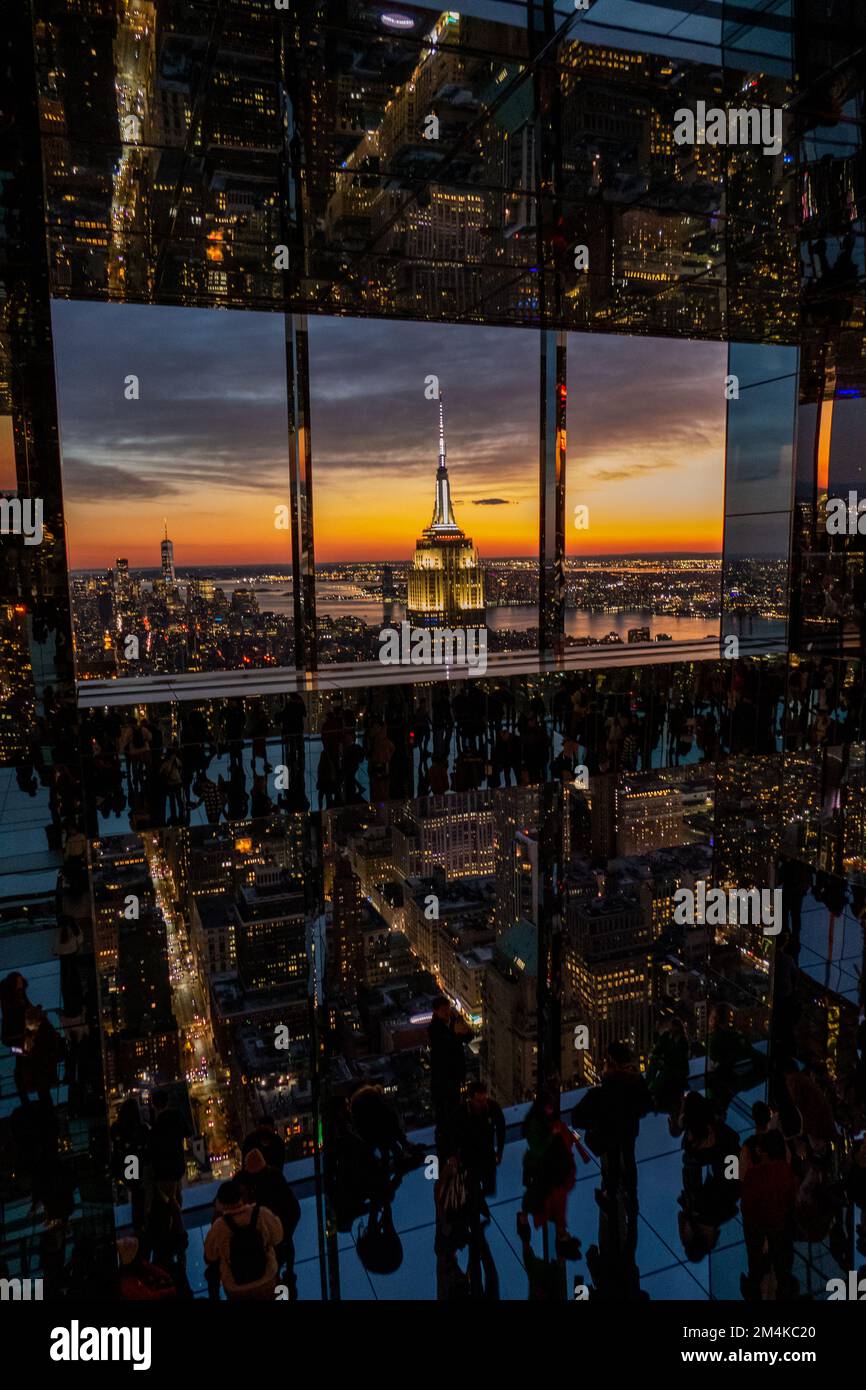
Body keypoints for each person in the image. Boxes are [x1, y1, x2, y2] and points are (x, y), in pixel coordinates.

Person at [572, 1041, 650, 1215]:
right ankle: (631, 1194)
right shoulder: (636, 1079)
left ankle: (611, 1194)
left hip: (612, 1131)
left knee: (613, 1162)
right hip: (630, 1129)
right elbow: (645, 1104)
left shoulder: (609, 1085)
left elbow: (587, 1113)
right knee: (629, 1159)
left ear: (613, 1062)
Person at [740, 1130, 801, 1300]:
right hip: (778, 1229)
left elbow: (746, 1207)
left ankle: (760, 1282)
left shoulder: (754, 1174)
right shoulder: (786, 1172)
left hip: (761, 1230)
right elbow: (792, 1202)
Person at [203, 1178, 284, 1301]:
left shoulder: (219, 1226)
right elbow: (278, 1237)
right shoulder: (261, 1214)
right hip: (267, 1279)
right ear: (241, 1196)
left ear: (220, 1203)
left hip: (235, 1287)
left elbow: (210, 1256)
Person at [237, 1148, 301, 1299]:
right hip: (283, 1219)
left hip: (279, 1221)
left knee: (281, 1249)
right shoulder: (274, 1176)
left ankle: (283, 1278)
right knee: (284, 1246)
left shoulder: (248, 1180)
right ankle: (285, 1277)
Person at [428, 996, 472, 1153]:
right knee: (443, 1107)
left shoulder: (453, 1020)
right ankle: (443, 1138)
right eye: (443, 1010)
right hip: (443, 1076)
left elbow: (468, 1037)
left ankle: (455, 1133)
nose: (447, 1012)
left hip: (456, 1073)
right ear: (436, 1011)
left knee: (455, 1103)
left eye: (448, 1009)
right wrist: (455, 1033)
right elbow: (444, 1048)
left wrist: (464, 1029)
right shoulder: (434, 1028)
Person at [455, 1082, 506, 1215]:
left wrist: (500, 1151)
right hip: (469, 1157)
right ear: (470, 1099)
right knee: (472, 1187)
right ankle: (474, 1208)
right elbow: (453, 1135)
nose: (482, 1103)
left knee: (489, 1188)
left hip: (487, 1153)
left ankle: (478, 1201)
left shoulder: (492, 1107)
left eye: (484, 1099)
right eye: (478, 1100)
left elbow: (501, 1128)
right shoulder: (462, 1112)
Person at [15, 1006, 64, 1108]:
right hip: (41, 1070)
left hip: (41, 1070)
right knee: (43, 1092)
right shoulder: (43, 1031)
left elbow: (37, 1053)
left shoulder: (42, 1033)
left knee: (43, 1091)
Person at [149, 1091, 190, 1204]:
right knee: (176, 1193)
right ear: (167, 1102)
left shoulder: (156, 1126)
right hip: (177, 1162)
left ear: (154, 1105)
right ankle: (178, 1216)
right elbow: (188, 1132)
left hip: (164, 1169)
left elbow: (152, 1149)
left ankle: (175, 1218)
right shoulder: (177, 1115)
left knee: (170, 1199)